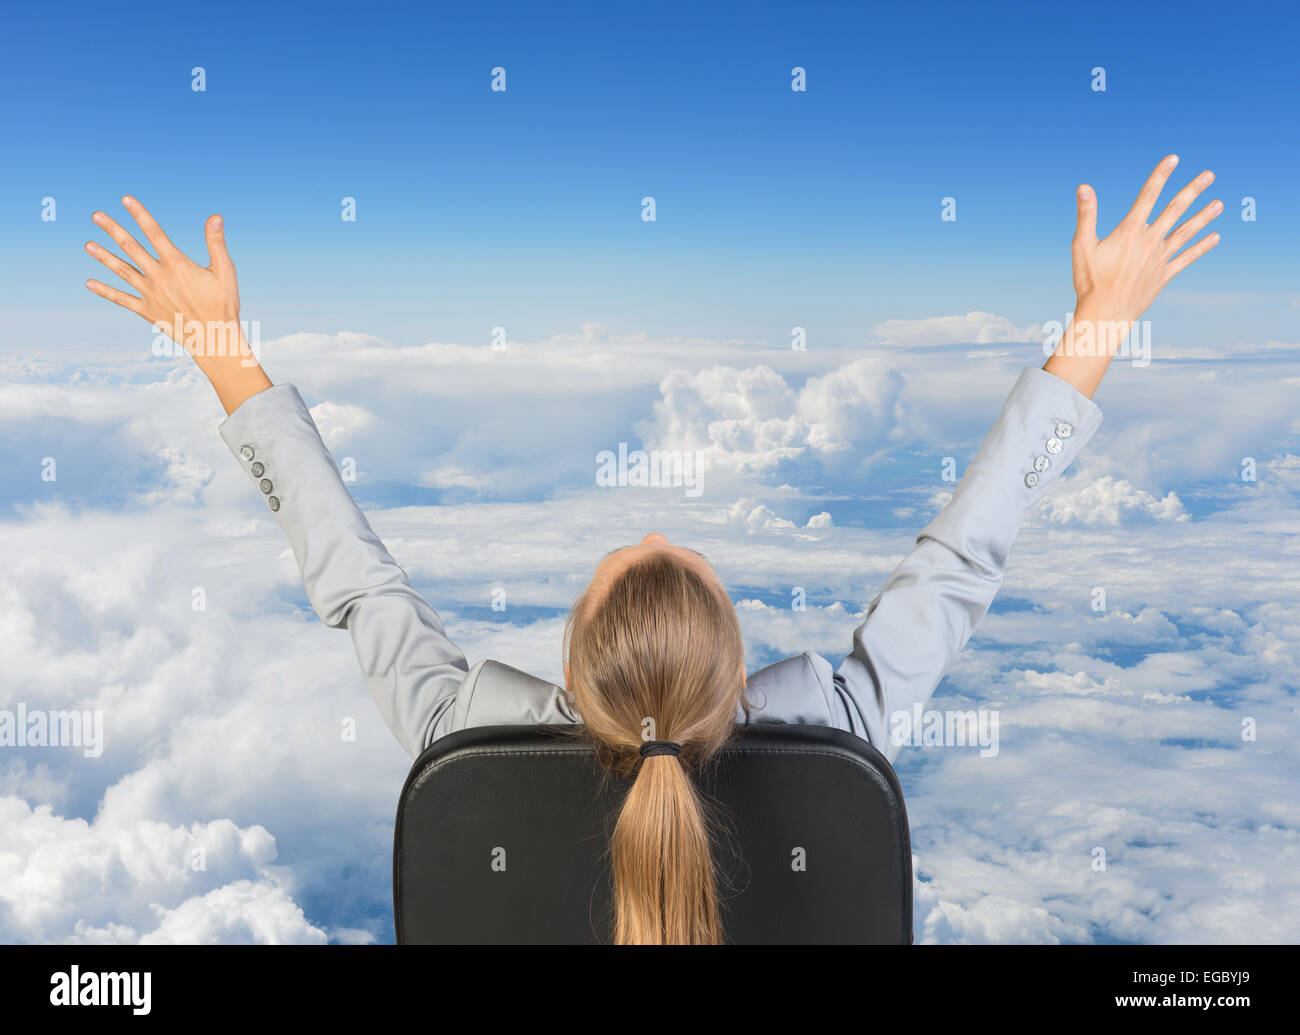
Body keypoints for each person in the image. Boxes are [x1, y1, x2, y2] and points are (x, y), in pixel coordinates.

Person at [85, 156, 1221, 944]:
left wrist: (222, 354)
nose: (654, 527)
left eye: (626, 557)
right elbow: (963, 562)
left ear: (565, 682)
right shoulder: (838, 747)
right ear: (743, 680)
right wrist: (1102, 324)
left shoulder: (463, 748)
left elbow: (354, 580)